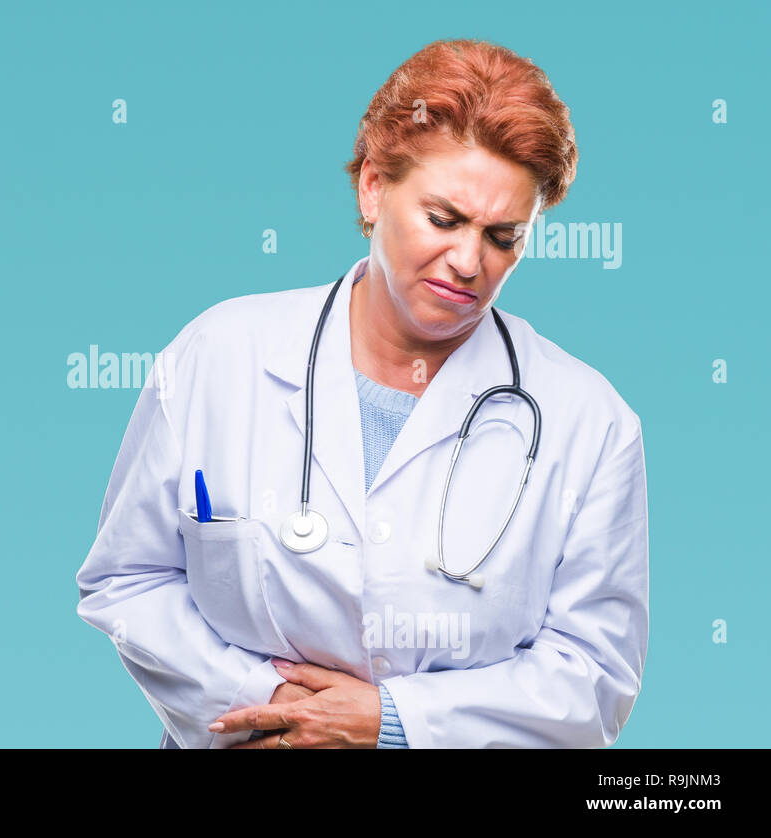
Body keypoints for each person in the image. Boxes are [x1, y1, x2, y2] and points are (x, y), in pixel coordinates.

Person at [75, 38, 648, 748]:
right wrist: (271, 705)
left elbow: (592, 677)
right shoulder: (219, 356)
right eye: (444, 220)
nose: (470, 261)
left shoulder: (590, 424)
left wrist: (393, 723)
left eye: (504, 236)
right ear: (373, 187)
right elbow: (128, 581)